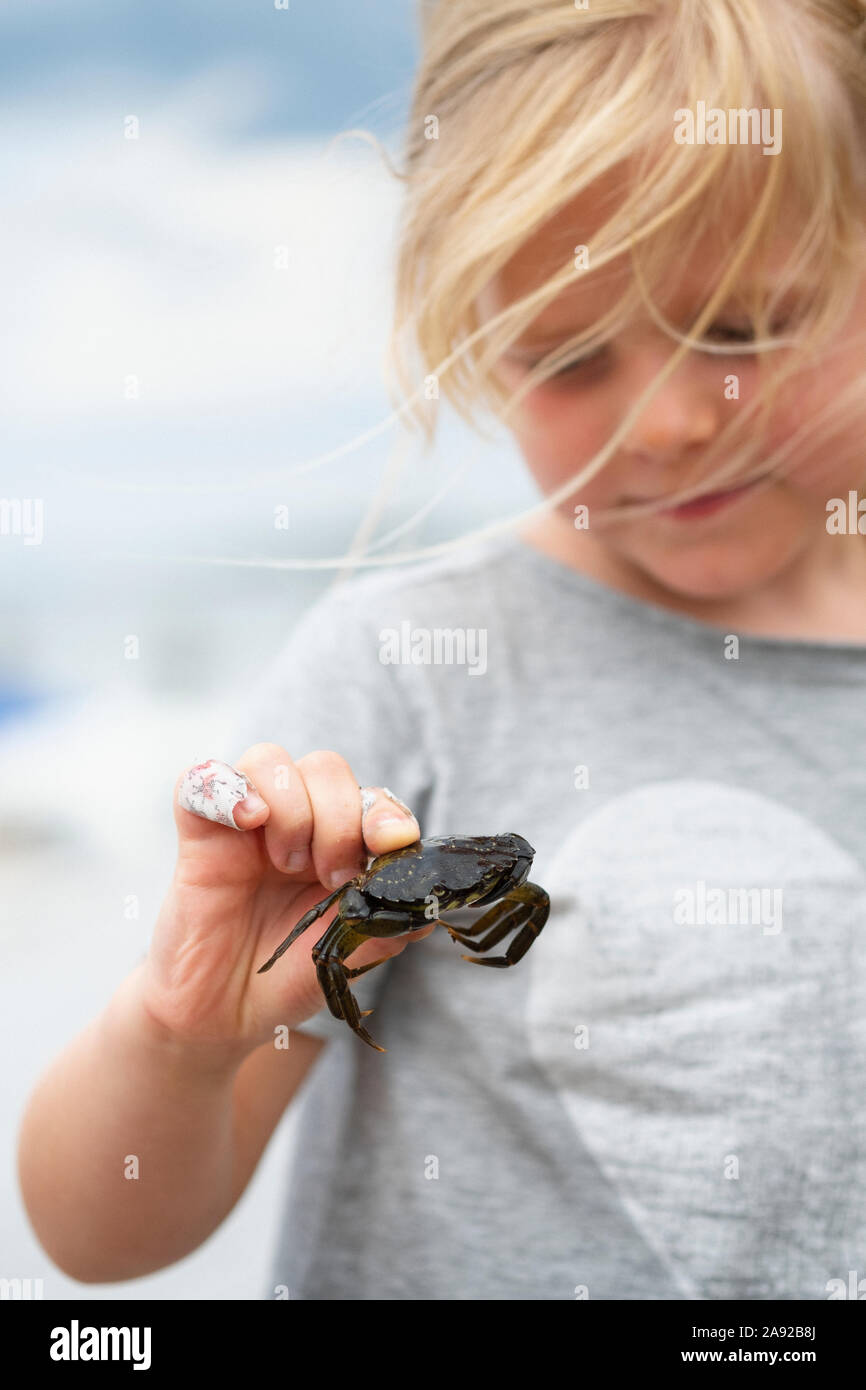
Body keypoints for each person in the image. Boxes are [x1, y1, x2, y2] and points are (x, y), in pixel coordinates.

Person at [17, 0, 866, 1299]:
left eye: (747, 330)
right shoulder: (408, 665)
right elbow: (101, 1232)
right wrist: (181, 1034)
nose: (670, 419)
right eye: (570, 357)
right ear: (474, 342)